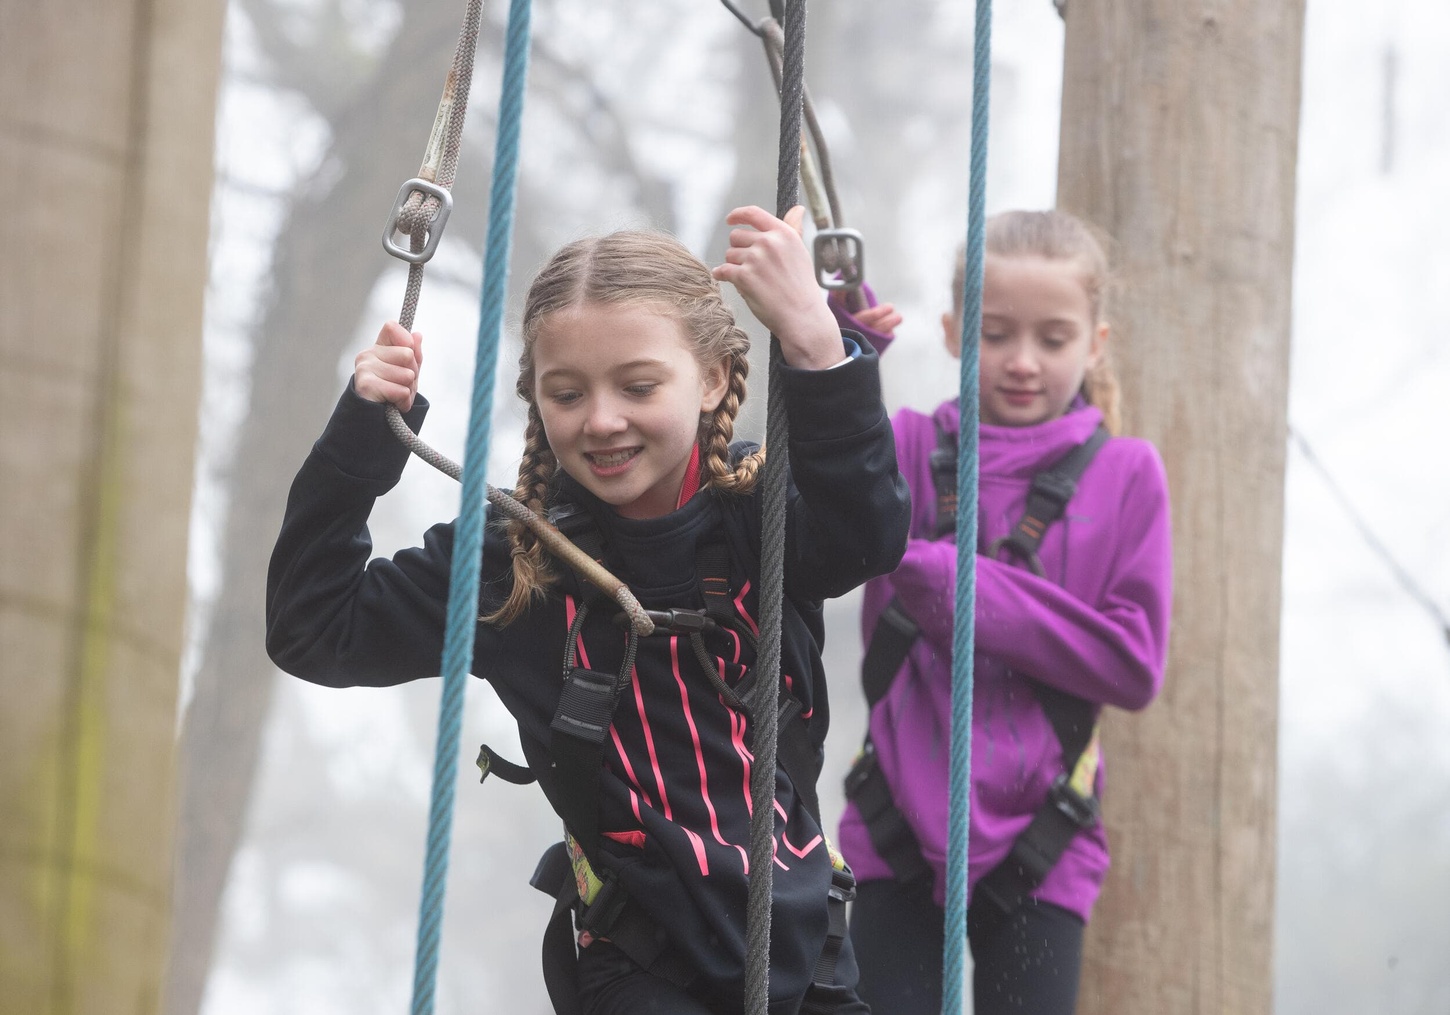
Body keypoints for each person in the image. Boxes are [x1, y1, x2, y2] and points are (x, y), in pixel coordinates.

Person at [266, 204, 911, 1015]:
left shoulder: (762, 515)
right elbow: (315, 629)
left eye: (638, 386)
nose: (602, 420)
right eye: (566, 393)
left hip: (809, 954)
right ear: (536, 397)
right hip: (640, 970)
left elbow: (868, 536)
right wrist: (362, 441)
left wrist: (815, 339)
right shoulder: (517, 561)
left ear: (711, 378)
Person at [832, 209, 1173, 1015]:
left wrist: (935, 574)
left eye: (1053, 340)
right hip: (895, 829)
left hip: (1043, 847)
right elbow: (829, 506)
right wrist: (837, 361)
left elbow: (1131, 660)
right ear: (952, 331)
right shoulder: (909, 446)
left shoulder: (1125, 475)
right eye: (994, 335)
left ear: (1095, 344)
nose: (1022, 363)